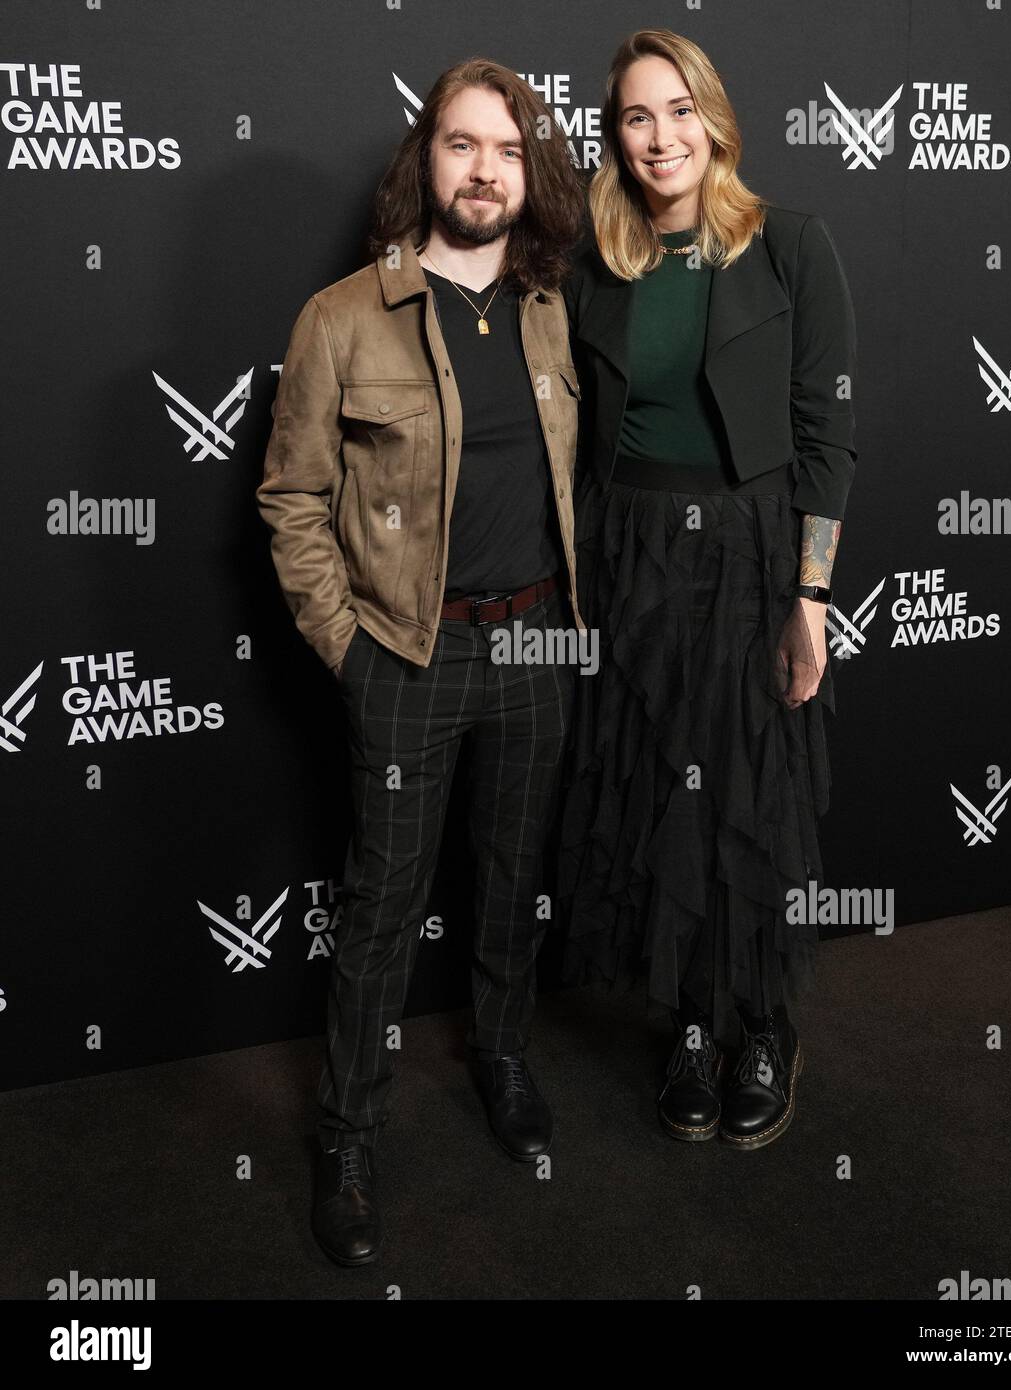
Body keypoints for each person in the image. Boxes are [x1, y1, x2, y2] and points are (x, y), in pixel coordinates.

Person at [255, 58, 586, 1265]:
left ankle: (500, 1056)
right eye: (461, 144)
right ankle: (347, 1132)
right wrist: (348, 648)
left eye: (505, 148)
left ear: (525, 169)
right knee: (382, 910)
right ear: (425, 161)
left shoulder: (552, 305)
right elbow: (291, 499)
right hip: (407, 651)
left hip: (541, 637)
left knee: (510, 879)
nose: (484, 168)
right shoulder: (343, 315)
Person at [558, 29, 857, 1150]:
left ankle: (764, 1023)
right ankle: (687, 1018)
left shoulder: (787, 244)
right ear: (614, 139)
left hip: (746, 549)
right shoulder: (598, 262)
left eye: (677, 109)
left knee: (749, 789)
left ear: (713, 120)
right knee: (652, 785)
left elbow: (827, 436)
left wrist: (809, 596)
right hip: (629, 550)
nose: (659, 136)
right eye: (635, 117)